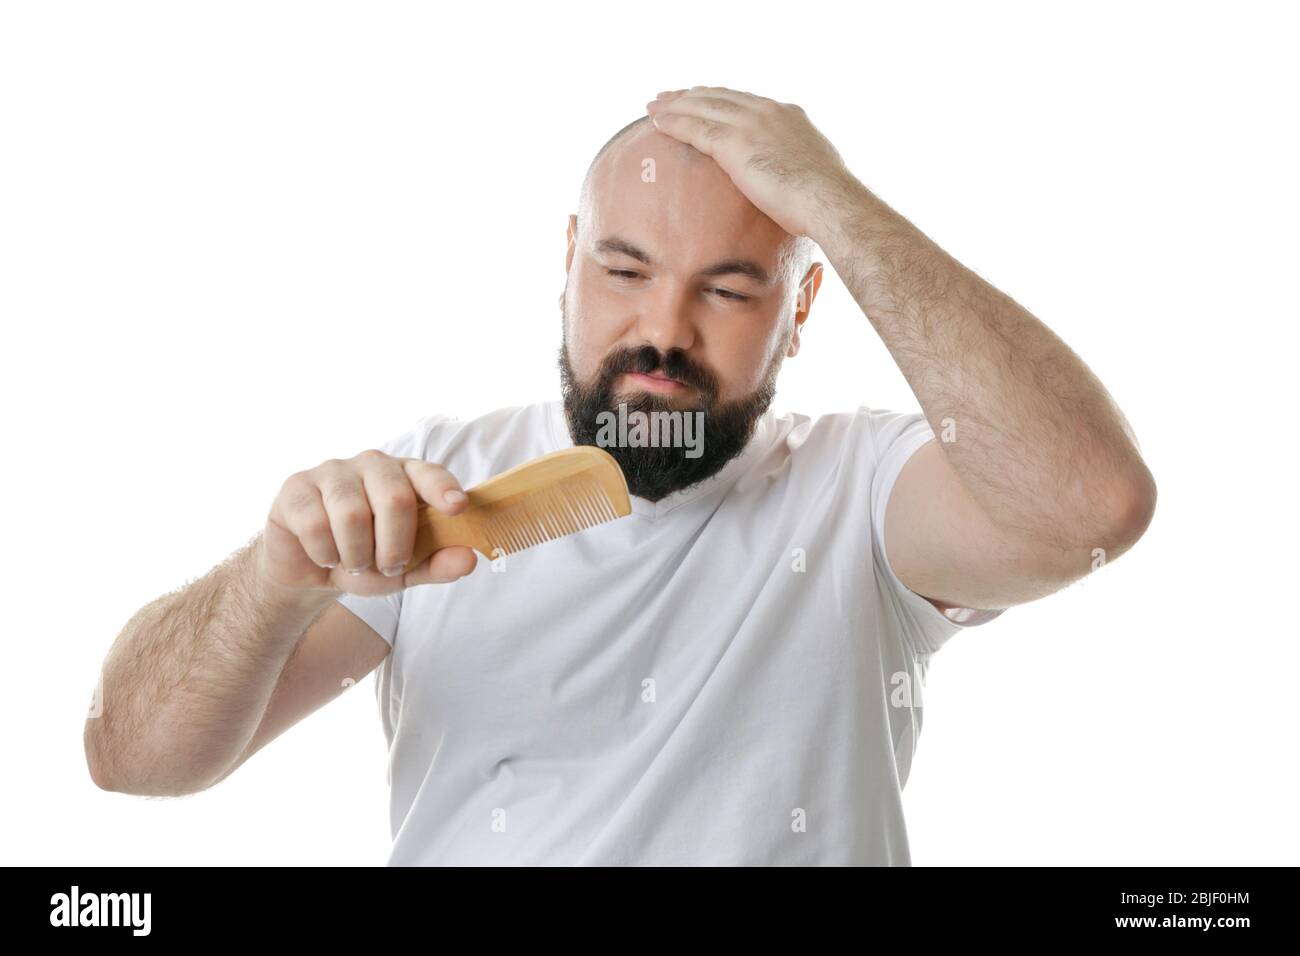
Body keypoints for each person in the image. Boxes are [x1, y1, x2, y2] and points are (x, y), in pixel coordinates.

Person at [84, 86, 1156, 865]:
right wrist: (279, 574)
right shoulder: (434, 491)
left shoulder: (864, 495)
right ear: (567, 260)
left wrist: (835, 200)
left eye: (729, 290)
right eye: (624, 270)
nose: (661, 331)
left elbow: (1092, 507)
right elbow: (129, 754)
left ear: (801, 307)